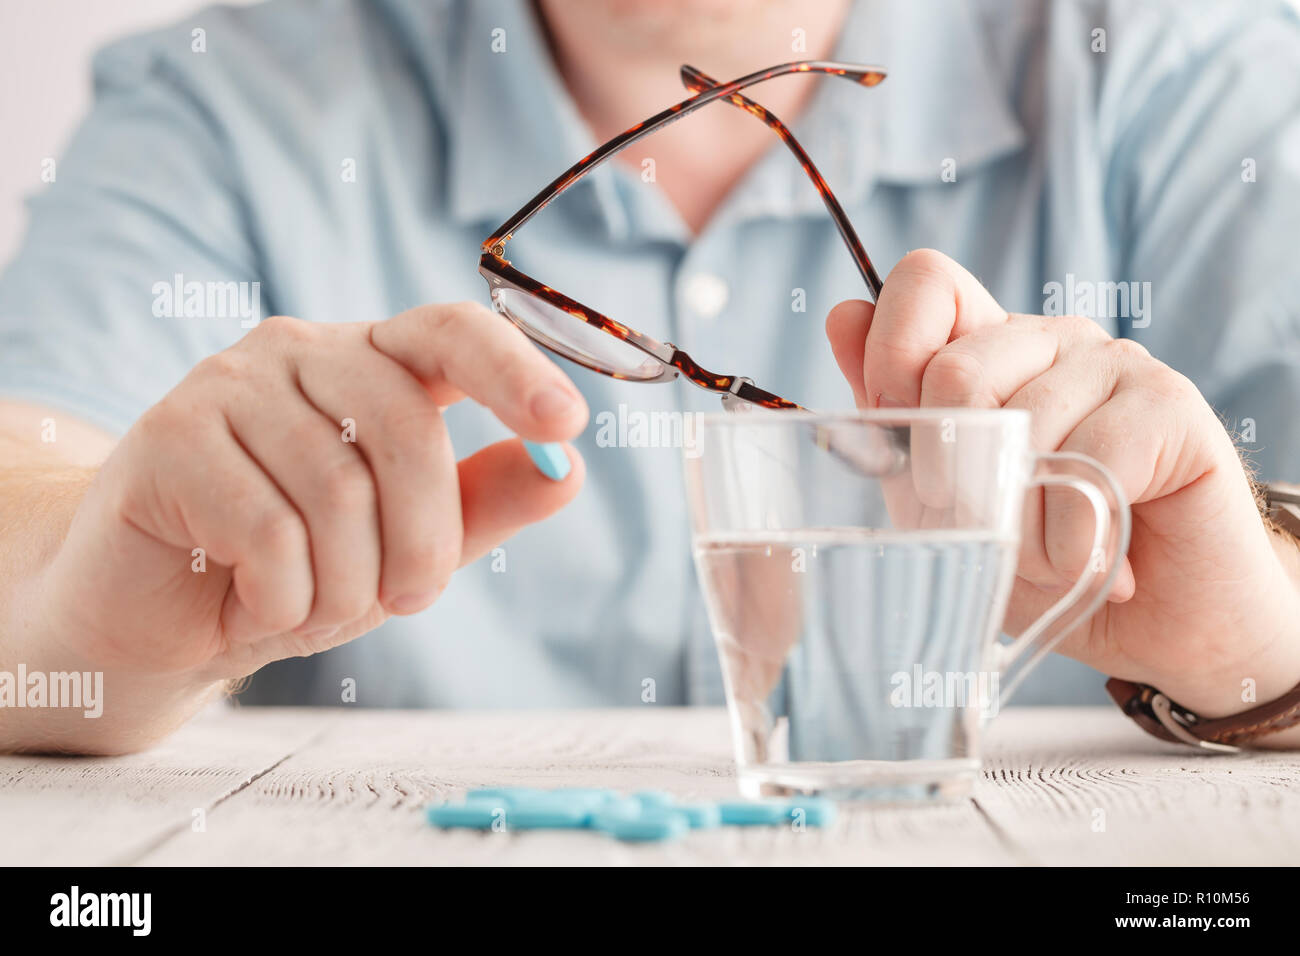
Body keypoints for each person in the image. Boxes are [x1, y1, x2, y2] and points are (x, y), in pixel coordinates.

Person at [1, 0, 1298, 754]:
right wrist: (77, 603)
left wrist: (1257, 638)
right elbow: (23, 486)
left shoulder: (1181, 75)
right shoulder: (230, 107)